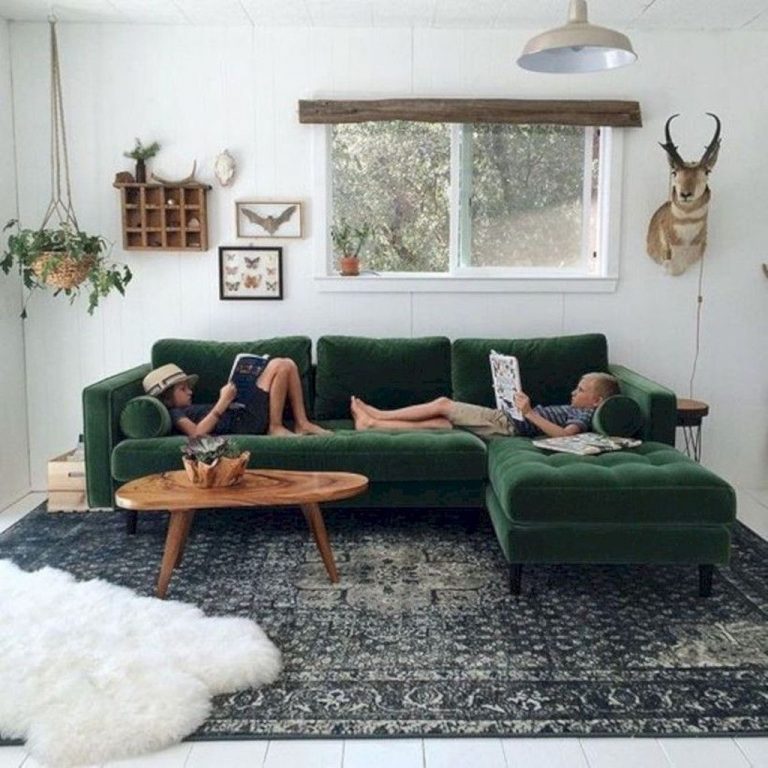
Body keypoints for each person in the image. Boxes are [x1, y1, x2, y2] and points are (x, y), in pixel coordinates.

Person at [350, 372, 620, 438]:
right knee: (442, 424)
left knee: (443, 404)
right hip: (509, 419)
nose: (573, 392)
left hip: (508, 424)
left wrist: (528, 413)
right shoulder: (580, 409)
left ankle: (379, 414)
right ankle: (372, 424)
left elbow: (564, 436)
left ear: (597, 401)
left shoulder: (584, 415)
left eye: (580, 390)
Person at [142, 359, 329, 438]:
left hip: (242, 412)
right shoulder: (175, 413)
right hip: (244, 423)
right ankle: (274, 426)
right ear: (167, 399)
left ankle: (302, 423)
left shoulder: (186, 408)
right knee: (279, 365)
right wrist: (222, 402)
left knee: (287, 364)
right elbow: (197, 434)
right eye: (183, 389)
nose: (190, 392)